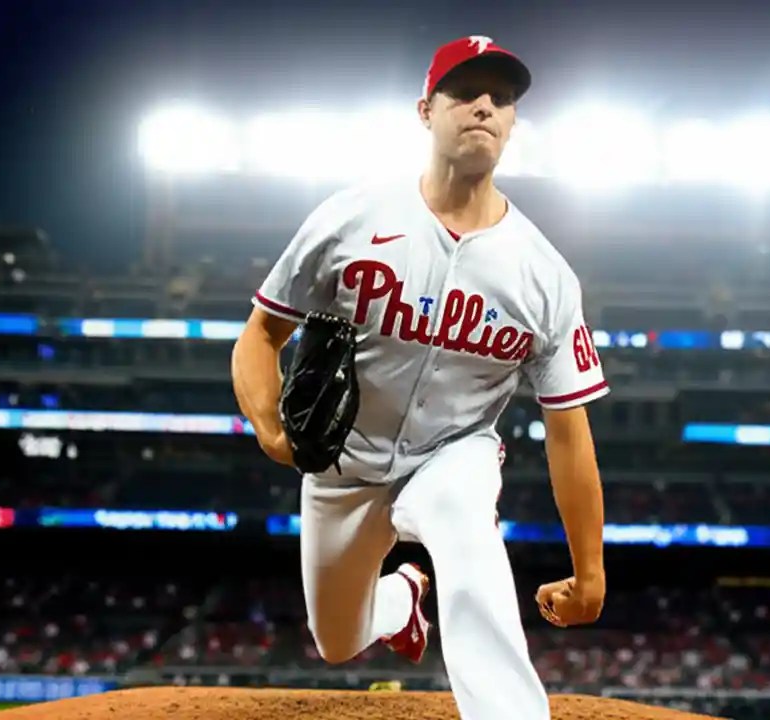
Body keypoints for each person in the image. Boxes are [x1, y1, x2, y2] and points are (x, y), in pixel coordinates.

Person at [232, 34, 609, 719]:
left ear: (515, 123)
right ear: (425, 111)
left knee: (467, 527)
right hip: (344, 461)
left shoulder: (543, 272)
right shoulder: (353, 217)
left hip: (453, 452)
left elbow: (568, 429)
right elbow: (261, 333)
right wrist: (270, 430)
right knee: (337, 640)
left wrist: (590, 570)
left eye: (502, 97)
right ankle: (402, 598)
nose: (485, 107)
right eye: (465, 92)